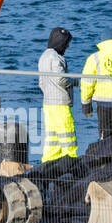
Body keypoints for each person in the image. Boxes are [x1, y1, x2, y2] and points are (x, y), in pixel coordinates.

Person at [38, 27, 77, 161]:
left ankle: (48, 165)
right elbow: (61, 79)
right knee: (68, 137)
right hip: (60, 104)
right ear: (60, 42)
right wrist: (75, 81)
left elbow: (41, 82)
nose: (67, 46)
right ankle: (72, 162)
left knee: (52, 139)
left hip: (48, 103)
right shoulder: (56, 58)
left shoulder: (44, 56)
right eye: (66, 43)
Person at [80, 37, 112, 142]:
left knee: (105, 137)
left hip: (104, 104)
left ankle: (106, 156)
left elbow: (87, 83)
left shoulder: (95, 58)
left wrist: (86, 104)